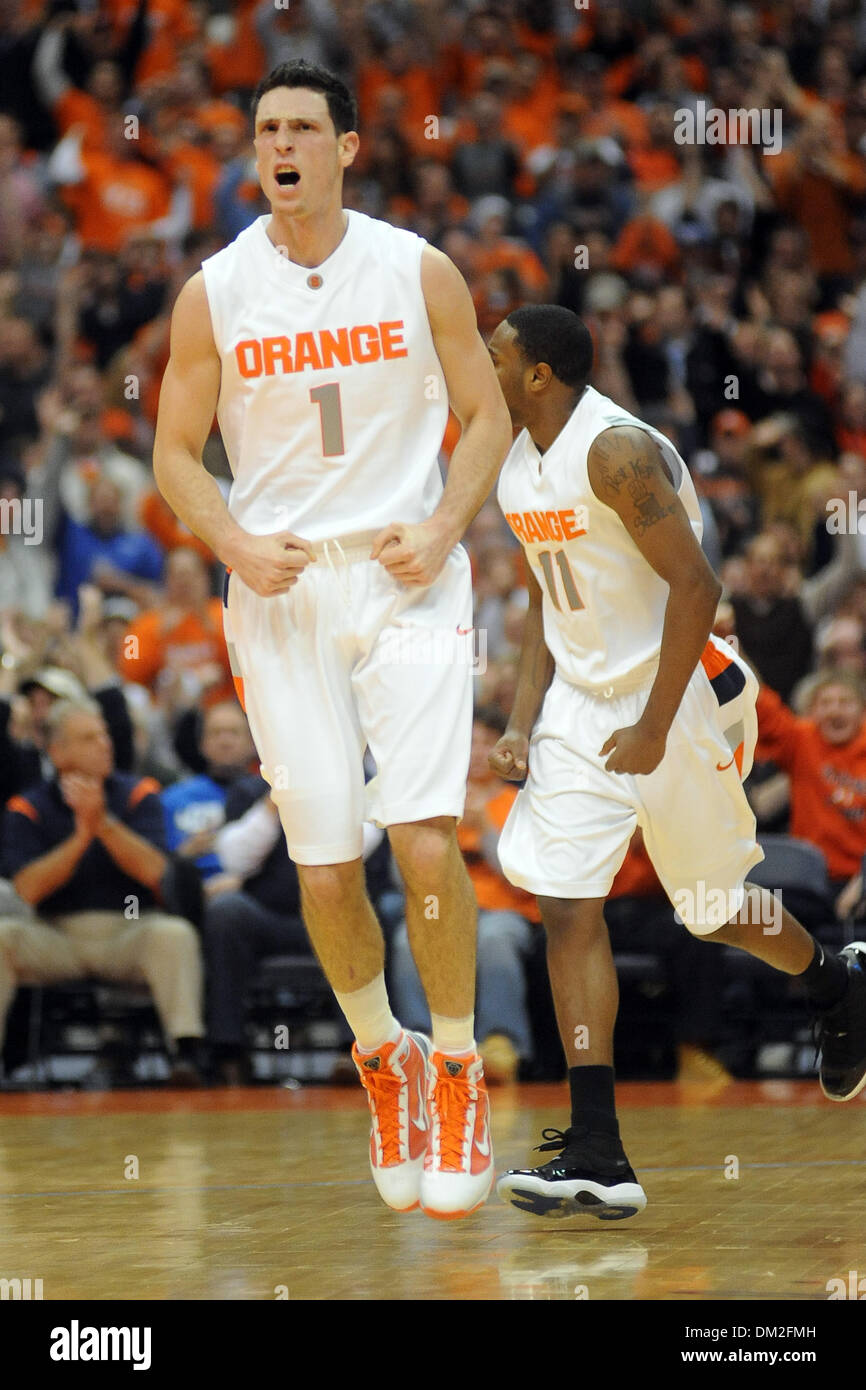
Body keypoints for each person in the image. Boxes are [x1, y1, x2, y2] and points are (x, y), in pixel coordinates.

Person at [152, 60, 513, 1219]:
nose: (282, 144)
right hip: (280, 585)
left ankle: (455, 1065)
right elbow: (171, 451)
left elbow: (487, 413)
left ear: (349, 147)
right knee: (318, 865)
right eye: (265, 129)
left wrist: (449, 521)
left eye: (304, 126)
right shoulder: (214, 289)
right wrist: (229, 538)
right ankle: (383, 1053)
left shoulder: (417, 268)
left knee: (419, 845)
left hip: (404, 574)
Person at [485, 304, 866, 1221]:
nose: (480, 365)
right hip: (582, 703)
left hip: (677, 689)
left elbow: (699, 587)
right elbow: (549, 596)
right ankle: (597, 1148)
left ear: (539, 374)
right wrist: (520, 719)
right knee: (565, 900)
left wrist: (655, 725)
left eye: (496, 354)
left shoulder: (615, 452)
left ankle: (836, 982)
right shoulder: (512, 462)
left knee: (713, 910)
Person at [0, 697, 204, 1084]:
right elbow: (25, 889)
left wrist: (103, 824)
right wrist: (80, 838)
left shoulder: (138, 793)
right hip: (55, 934)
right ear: (58, 752)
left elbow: (158, 871)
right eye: (89, 738)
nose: (105, 744)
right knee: (1, 937)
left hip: (128, 930)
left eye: (105, 735)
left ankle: (186, 1055)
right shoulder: (27, 806)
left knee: (174, 935)